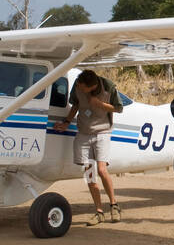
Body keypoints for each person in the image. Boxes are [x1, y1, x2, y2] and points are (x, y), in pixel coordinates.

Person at [52, 69, 123, 225]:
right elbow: (76, 105)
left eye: (82, 86)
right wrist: (66, 122)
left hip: (102, 132)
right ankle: (99, 212)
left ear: (92, 86)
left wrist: (101, 105)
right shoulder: (78, 85)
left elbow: (118, 108)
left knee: (102, 170)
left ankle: (114, 206)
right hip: (84, 133)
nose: (78, 87)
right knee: (89, 172)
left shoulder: (108, 86)